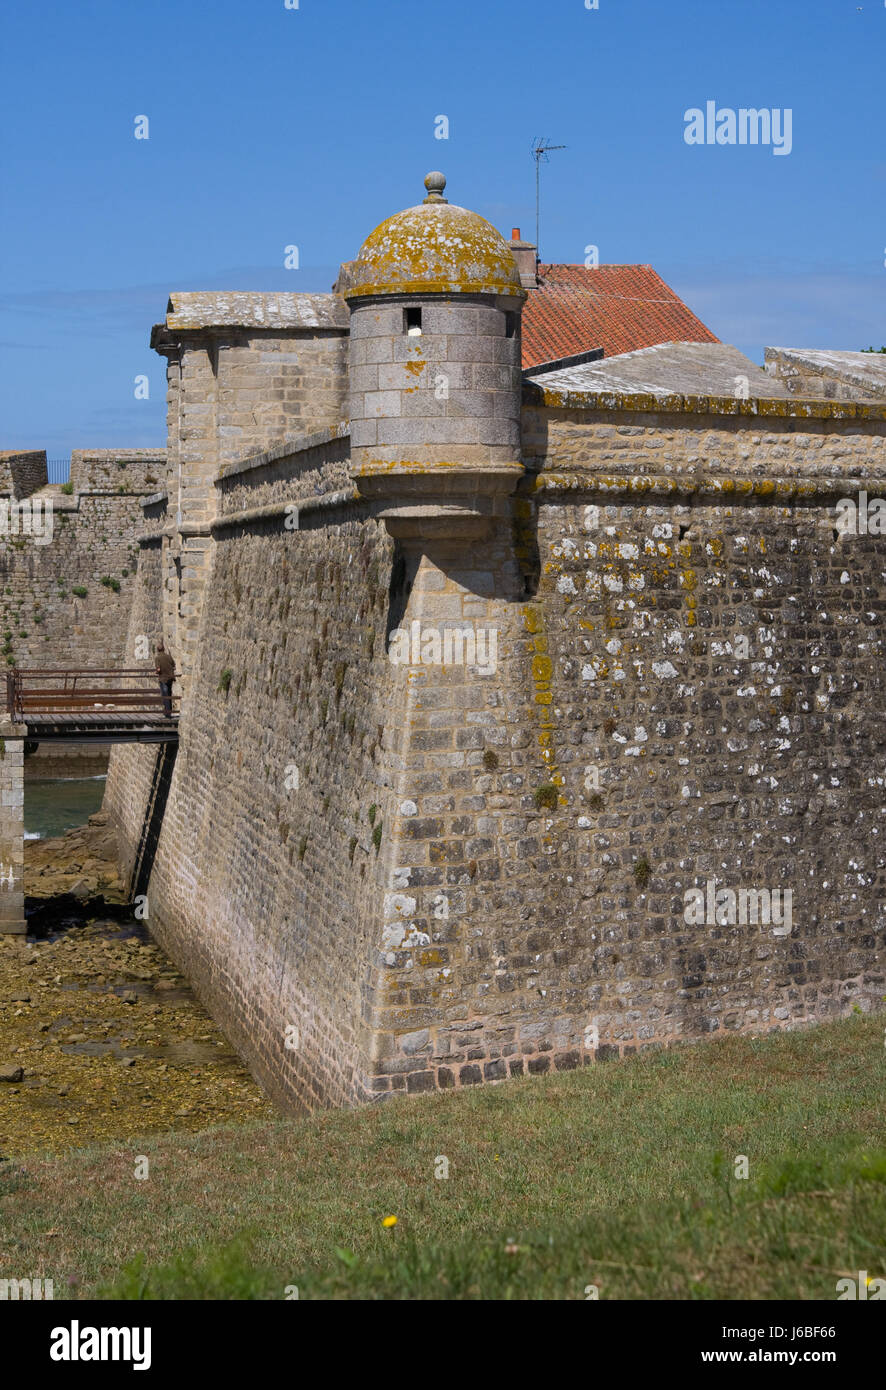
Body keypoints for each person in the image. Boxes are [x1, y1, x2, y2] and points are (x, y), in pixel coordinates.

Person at [155, 641, 175, 717]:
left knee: (165, 695)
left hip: (163, 678)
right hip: (170, 678)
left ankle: (167, 713)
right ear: (164, 649)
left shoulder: (158, 658)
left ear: (157, 650)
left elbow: (158, 669)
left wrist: (156, 672)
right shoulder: (169, 656)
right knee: (169, 693)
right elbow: (173, 664)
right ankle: (170, 711)